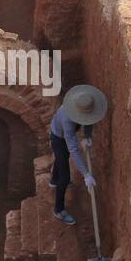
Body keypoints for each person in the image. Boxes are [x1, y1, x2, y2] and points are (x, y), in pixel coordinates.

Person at [49, 84, 106, 226]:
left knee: (62, 158)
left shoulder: (84, 102)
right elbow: (73, 149)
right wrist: (86, 174)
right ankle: (59, 210)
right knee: (65, 177)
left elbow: (90, 118)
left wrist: (87, 136)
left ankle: (53, 180)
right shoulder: (68, 120)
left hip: (62, 133)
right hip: (58, 138)